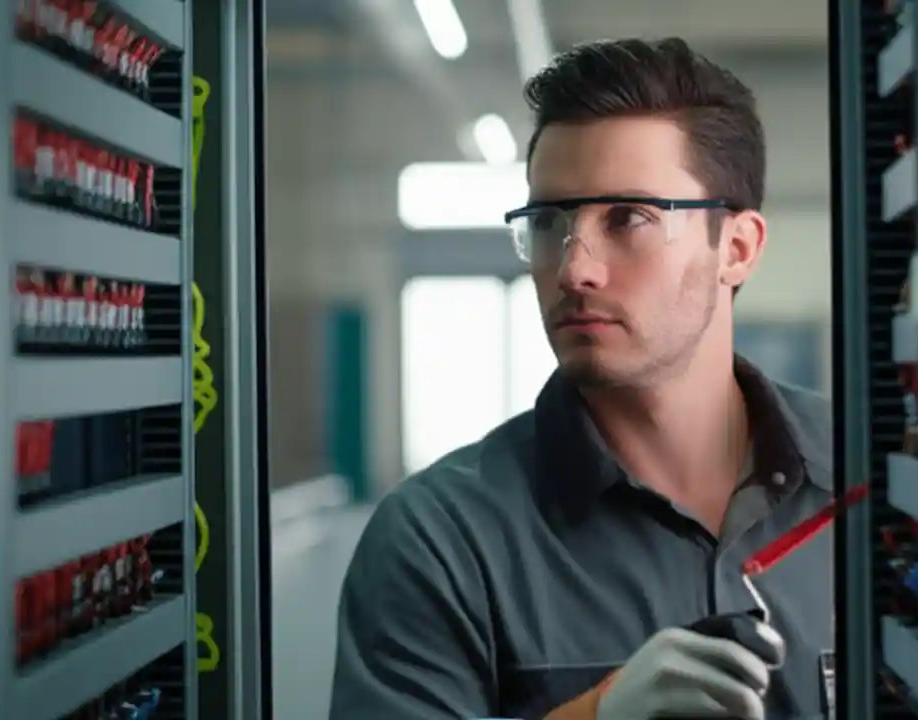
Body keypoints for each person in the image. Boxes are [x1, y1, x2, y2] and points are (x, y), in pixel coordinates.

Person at [330, 37, 834, 720]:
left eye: (628, 218)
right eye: (548, 222)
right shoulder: (441, 541)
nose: (574, 269)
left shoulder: (879, 489)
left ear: (737, 249)